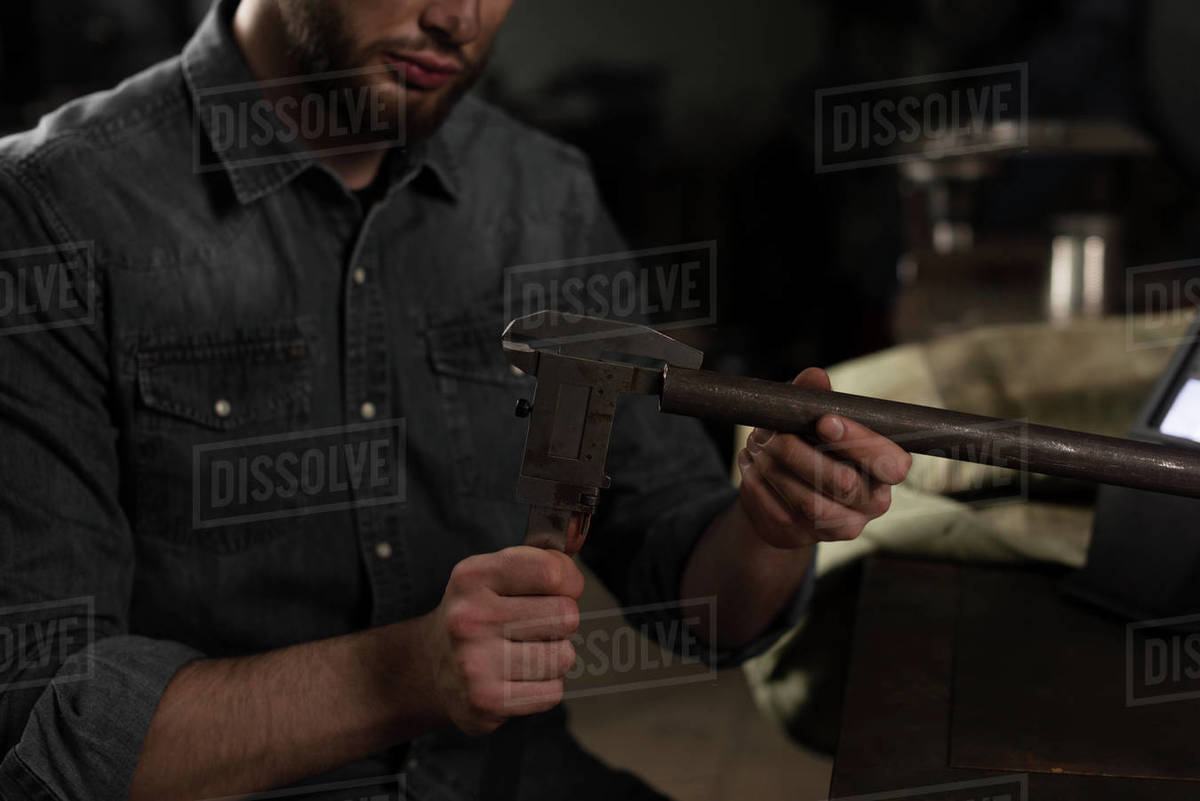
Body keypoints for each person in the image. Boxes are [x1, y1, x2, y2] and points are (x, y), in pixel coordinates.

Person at [0, 1, 911, 799]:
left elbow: (694, 588)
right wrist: (402, 674)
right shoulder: (50, 212)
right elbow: (44, 734)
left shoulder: (544, 197)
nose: (461, 17)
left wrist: (772, 526)